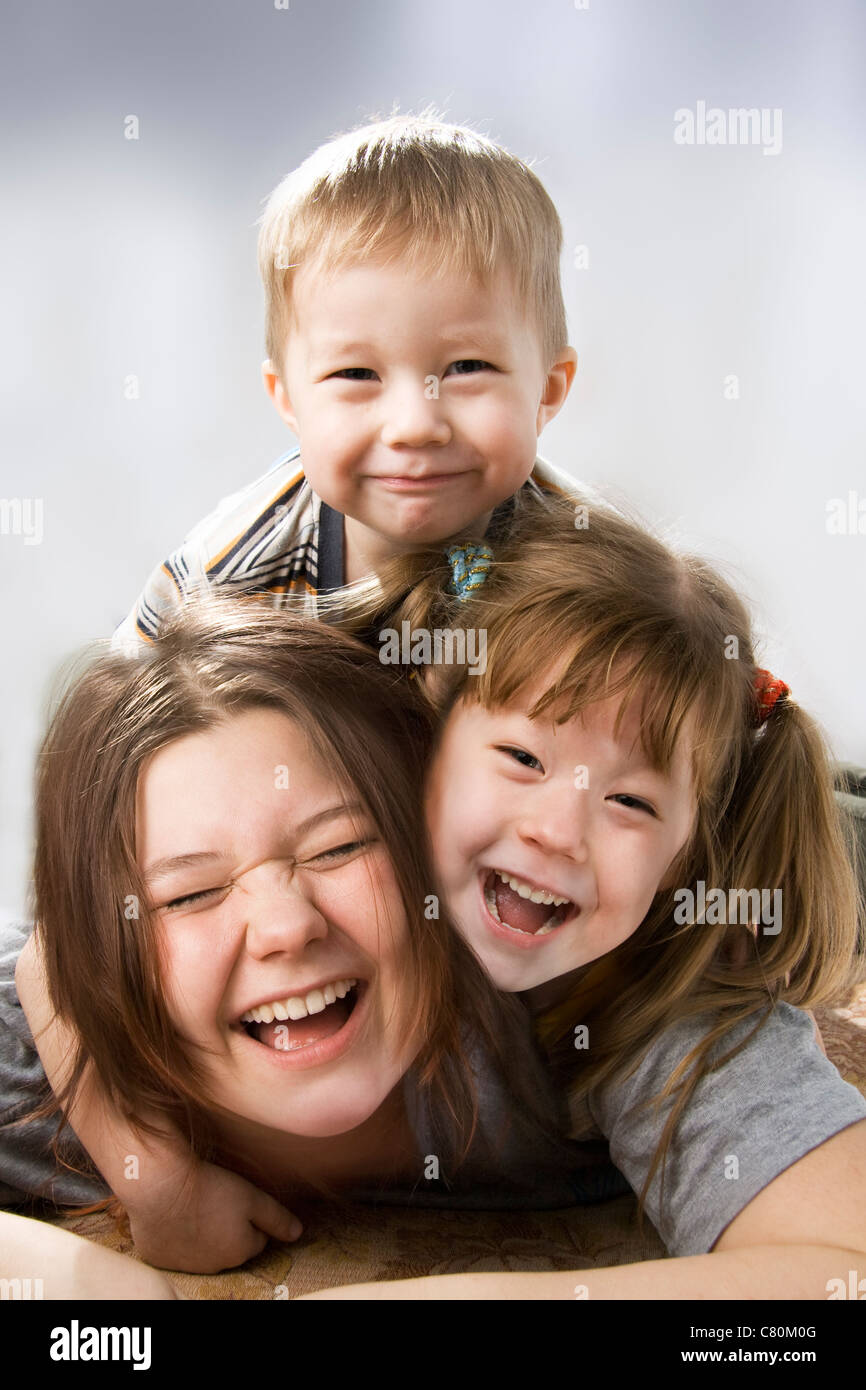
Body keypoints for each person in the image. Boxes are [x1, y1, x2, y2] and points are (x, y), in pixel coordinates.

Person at [311, 490, 866, 1296]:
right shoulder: (317, 858)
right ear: (425, 734)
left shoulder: (668, 1006)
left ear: (686, 859)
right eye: (523, 758)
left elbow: (840, 1279)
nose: (559, 831)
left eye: (630, 802)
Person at [5, 605, 578, 1283]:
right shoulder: (35, 1083)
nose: (286, 927)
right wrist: (125, 1235)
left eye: (338, 847)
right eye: (188, 894)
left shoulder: (569, 1018)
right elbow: (49, 953)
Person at [111, 110, 581, 655]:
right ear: (289, 399)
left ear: (548, 389)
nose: (414, 425)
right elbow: (117, 727)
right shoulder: (222, 582)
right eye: (357, 374)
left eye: (466, 368)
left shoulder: (594, 573)